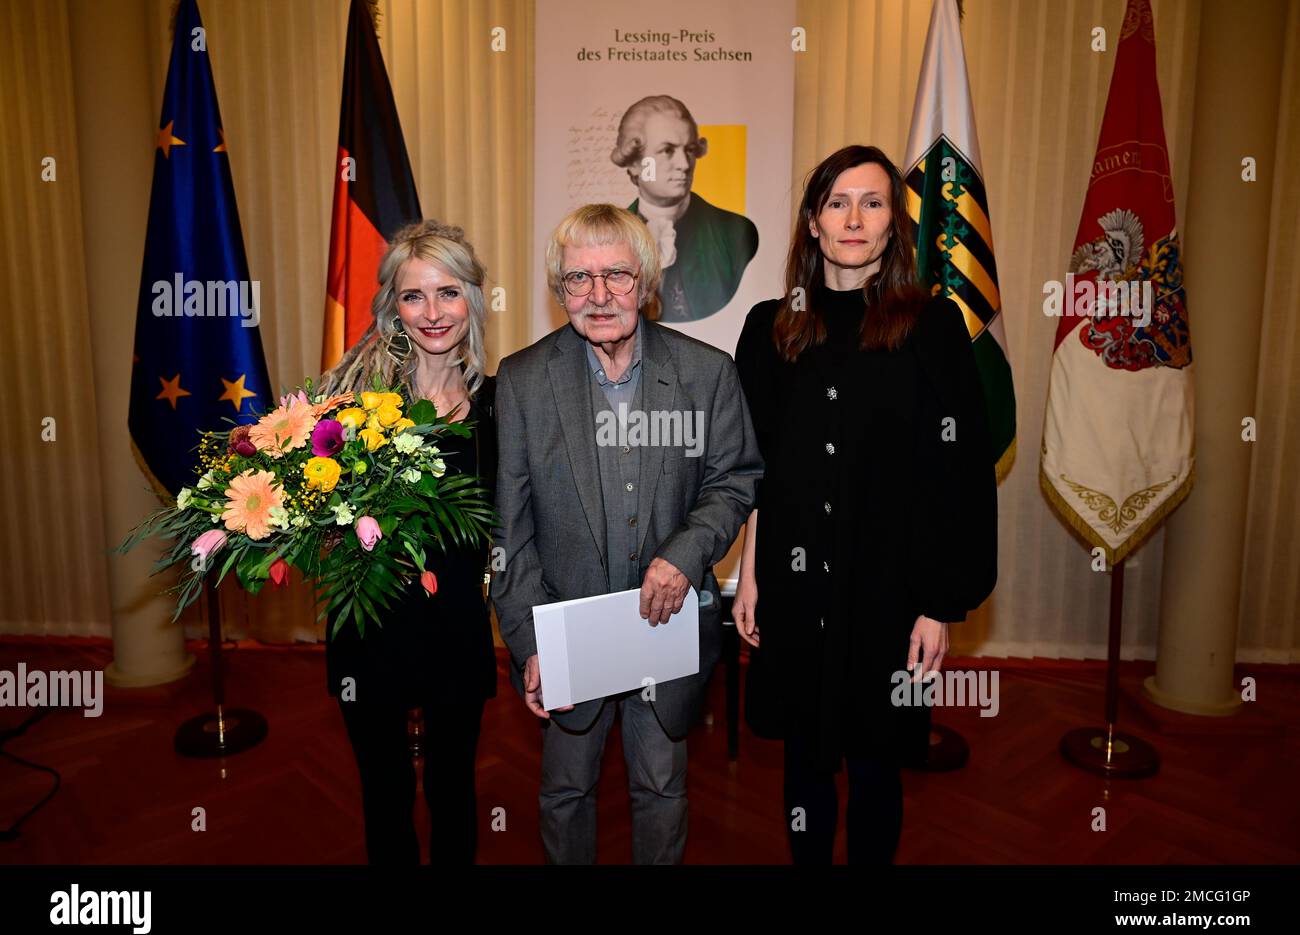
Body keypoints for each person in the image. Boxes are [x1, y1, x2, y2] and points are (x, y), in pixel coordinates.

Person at [732, 145, 998, 865]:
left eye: (873, 202)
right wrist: (750, 575)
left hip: (891, 592)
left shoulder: (934, 329)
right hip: (792, 583)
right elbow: (753, 469)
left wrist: (939, 604)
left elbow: (960, 477)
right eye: (838, 202)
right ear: (813, 223)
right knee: (803, 762)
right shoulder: (768, 328)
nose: (854, 218)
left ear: (893, 227)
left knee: (879, 763)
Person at [491, 203, 761, 864]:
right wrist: (529, 643)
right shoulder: (523, 382)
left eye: (616, 274)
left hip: (664, 628)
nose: (600, 295)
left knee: (662, 789)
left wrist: (685, 555)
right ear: (560, 294)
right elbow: (509, 532)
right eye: (579, 279)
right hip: (567, 632)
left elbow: (735, 480)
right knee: (565, 792)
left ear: (645, 283)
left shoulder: (708, 374)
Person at [318, 219, 498, 864]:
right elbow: (318, 520)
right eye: (413, 295)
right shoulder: (347, 405)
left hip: (456, 630)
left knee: (454, 789)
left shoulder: (498, 407)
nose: (432, 312)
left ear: (472, 300)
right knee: (385, 792)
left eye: (448, 293)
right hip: (370, 631)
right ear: (391, 305)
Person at [611, 94, 758, 322]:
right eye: (667, 150)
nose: (683, 164)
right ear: (634, 163)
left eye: (689, 150)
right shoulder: (609, 240)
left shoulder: (737, 232)